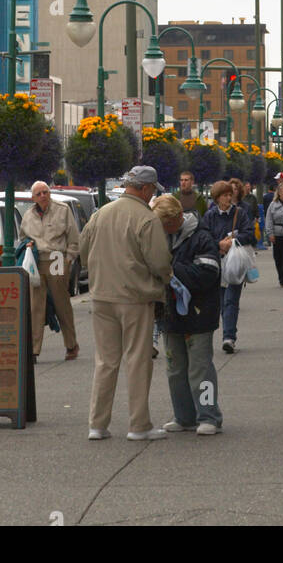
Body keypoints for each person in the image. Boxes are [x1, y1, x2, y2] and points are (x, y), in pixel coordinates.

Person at [79, 165, 172, 441]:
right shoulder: (146, 218)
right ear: (144, 189)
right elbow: (159, 261)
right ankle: (138, 424)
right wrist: (165, 279)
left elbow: (83, 253)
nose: (153, 195)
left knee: (105, 361)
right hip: (135, 296)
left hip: (102, 295)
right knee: (137, 360)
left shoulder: (100, 214)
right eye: (153, 190)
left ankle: (97, 424)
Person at [152, 193, 223, 435]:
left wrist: (171, 268)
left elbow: (207, 273)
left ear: (179, 217)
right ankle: (184, 417)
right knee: (175, 368)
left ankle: (209, 416)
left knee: (200, 368)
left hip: (200, 313)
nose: (163, 229)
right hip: (171, 314)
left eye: (167, 224)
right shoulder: (160, 236)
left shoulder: (202, 237)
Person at [19, 182, 81, 362]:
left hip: (57, 258)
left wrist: (68, 260)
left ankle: (71, 345)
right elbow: (23, 237)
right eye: (38, 194)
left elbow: (73, 237)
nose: (43, 196)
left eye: (46, 192)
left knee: (62, 304)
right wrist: (28, 245)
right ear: (33, 197)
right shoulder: (28, 215)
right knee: (35, 306)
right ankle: (34, 350)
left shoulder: (62, 210)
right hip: (37, 261)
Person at [202, 180, 255, 354]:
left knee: (231, 300)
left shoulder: (239, 214)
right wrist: (218, 244)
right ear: (216, 198)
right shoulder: (210, 216)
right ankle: (228, 332)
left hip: (235, 263)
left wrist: (232, 241)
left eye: (229, 194)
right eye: (224, 195)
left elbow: (249, 234)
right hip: (216, 263)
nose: (228, 198)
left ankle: (229, 337)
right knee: (221, 302)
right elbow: (203, 237)